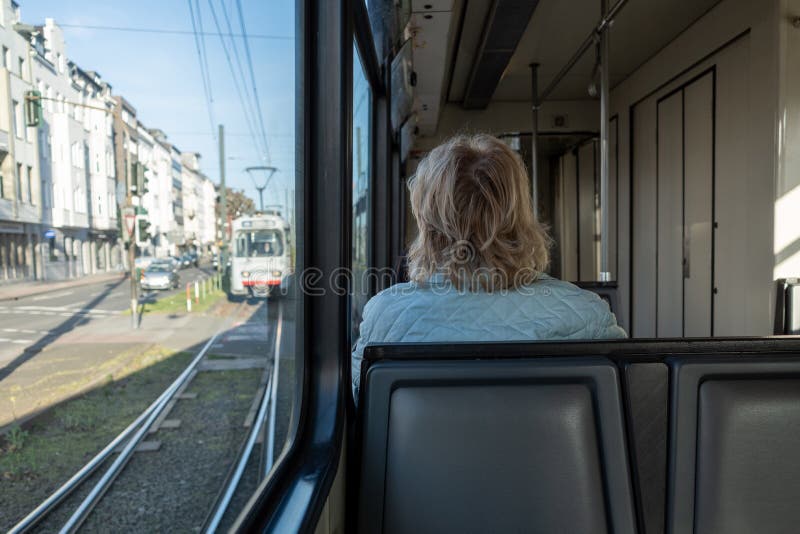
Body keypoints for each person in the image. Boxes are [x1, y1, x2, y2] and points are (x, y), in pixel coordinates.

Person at [351, 133, 627, 397]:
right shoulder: (589, 315)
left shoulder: (384, 317)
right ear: (521, 217)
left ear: (427, 225)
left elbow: (358, 410)